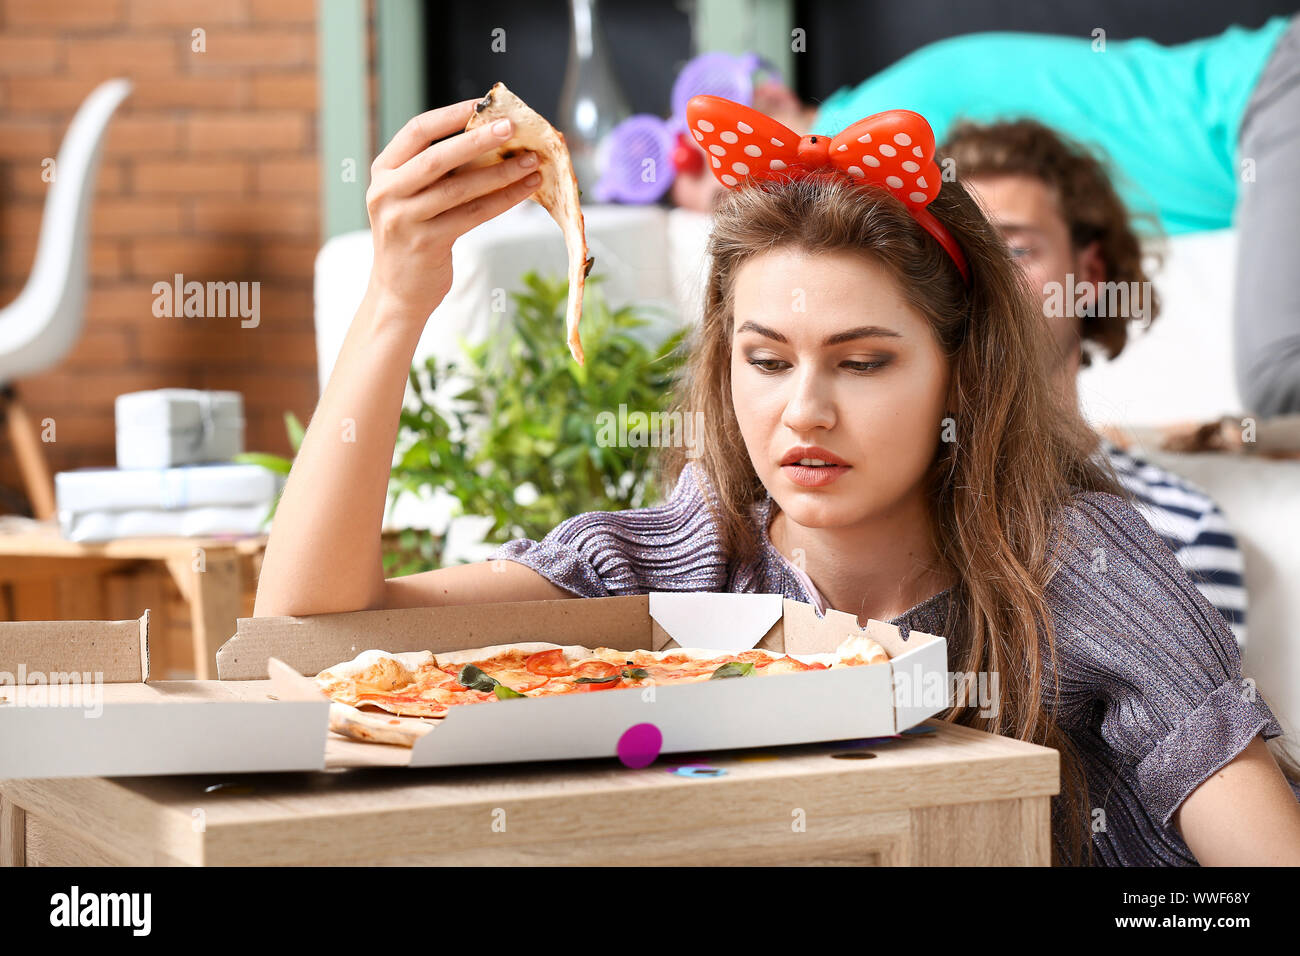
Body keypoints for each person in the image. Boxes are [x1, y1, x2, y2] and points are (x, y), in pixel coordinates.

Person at [253, 98, 1300, 867]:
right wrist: (396, 298)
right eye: (766, 359)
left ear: (961, 372)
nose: (803, 410)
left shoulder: (1079, 563)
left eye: (862, 361)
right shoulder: (675, 562)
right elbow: (309, 627)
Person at [672, 17, 1300, 417]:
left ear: (774, 99)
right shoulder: (905, 103)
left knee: (1277, 375)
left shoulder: (863, 129)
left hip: (1274, 83)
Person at [940, 118, 1249, 646]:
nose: (985, 281)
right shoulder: (885, 493)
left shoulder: (1179, 530)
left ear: (1089, 275)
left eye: (1015, 252)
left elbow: (1206, 724)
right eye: (959, 255)